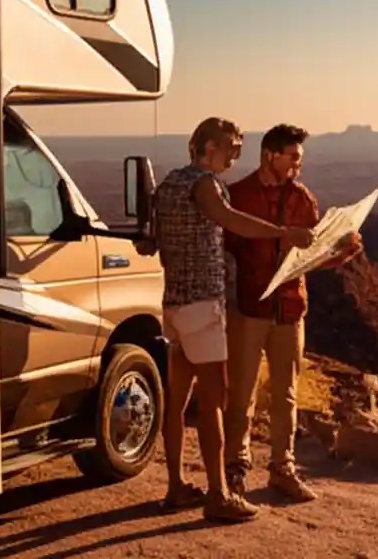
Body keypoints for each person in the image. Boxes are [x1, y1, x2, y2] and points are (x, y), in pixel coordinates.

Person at [140, 117, 315, 523]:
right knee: (215, 401)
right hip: (203, 305)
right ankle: (219, 493)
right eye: (232, 148)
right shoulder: (208, 185)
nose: (237, 156)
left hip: (175, 303)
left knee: (178, 398)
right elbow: (229, 219)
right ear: (210, 147)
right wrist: (282, 233)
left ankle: (175, 487)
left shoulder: (168, 185)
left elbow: (153, 239)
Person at [223, 123, 364, 503]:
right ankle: (234, 471)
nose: (298, 167)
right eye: (294, 158)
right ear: (271, 155)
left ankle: (282, 469)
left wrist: (341, 254)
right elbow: (226, 253)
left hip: (290, 309)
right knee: (241, 393)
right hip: (249, 308)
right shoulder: (237, 197)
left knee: (286, 395)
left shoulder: (304, 200)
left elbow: (307, 260)